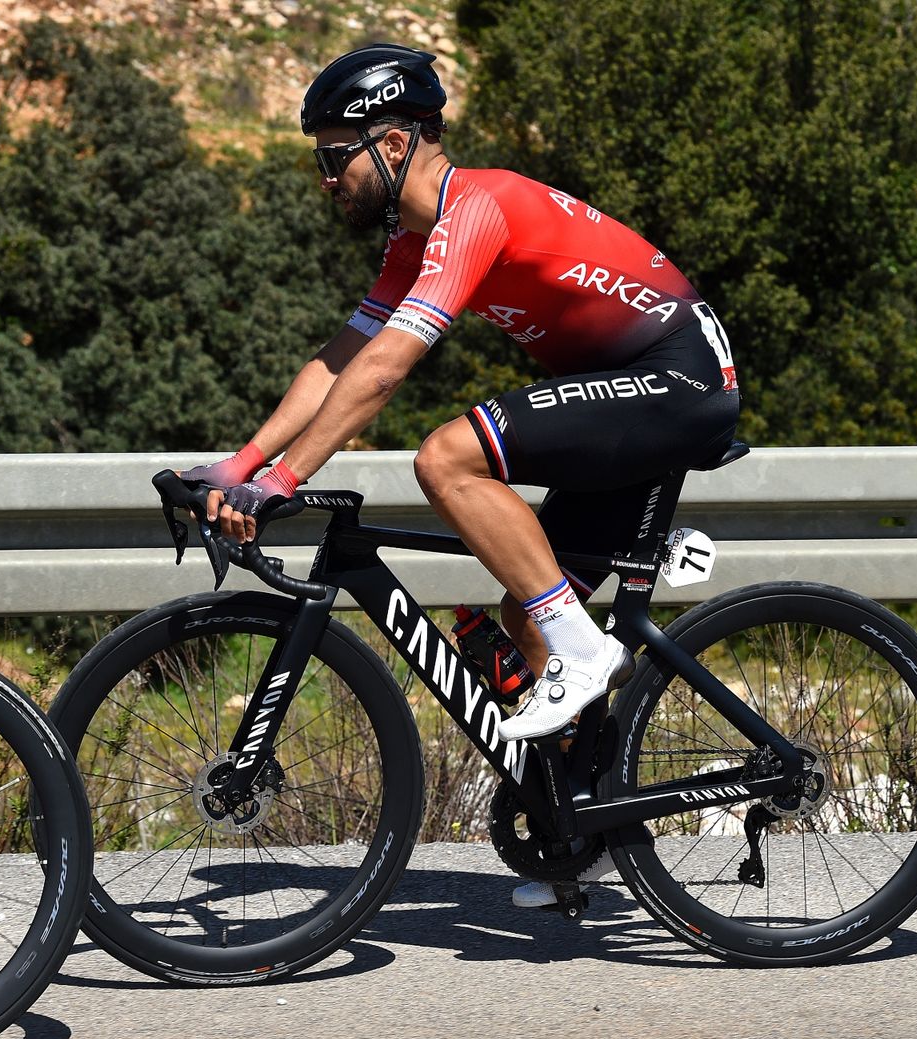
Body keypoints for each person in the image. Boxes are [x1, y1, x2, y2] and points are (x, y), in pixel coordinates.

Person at [188, 43, 741, 904]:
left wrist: (286, 481)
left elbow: (385, 372)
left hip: (678, 377)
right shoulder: (413, 241)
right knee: (529, 612)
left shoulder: (475, 207)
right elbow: (342, 359)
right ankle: (586, 829)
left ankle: (585, 651)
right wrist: (243, 462)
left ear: (394, 144)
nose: (325, 179)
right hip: (629, 392)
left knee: (445, 456)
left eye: (335, 157)